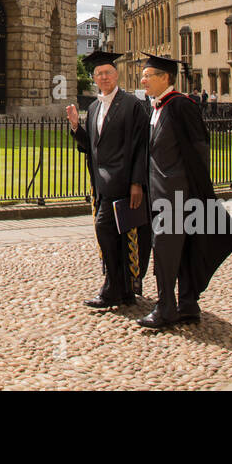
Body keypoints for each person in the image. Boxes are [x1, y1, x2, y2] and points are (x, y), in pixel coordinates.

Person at [137, 54, 232, 329]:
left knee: (164, 251)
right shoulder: (157, 107)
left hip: (177, 194)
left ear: (165, 78)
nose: (143, 80)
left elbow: (199, 148)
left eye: (148, 75)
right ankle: (187, 304)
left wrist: (191, 190)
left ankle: (165, 309)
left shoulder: (180, 106)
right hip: (162, 192)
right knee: (179, 250)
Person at [65, 50, 151, 308]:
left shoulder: (132, 105)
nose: (104, 77)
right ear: (94, 78)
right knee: (113, 236)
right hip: (101, 184)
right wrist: (75, 128)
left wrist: (137, 182)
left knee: (112, 232)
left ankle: (111, 289)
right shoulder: (93, 108)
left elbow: (141, 146)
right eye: (99, 74)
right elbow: (91, 146)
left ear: (116, 75)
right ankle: (123, 289)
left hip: (124, 183)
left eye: (108, 73)